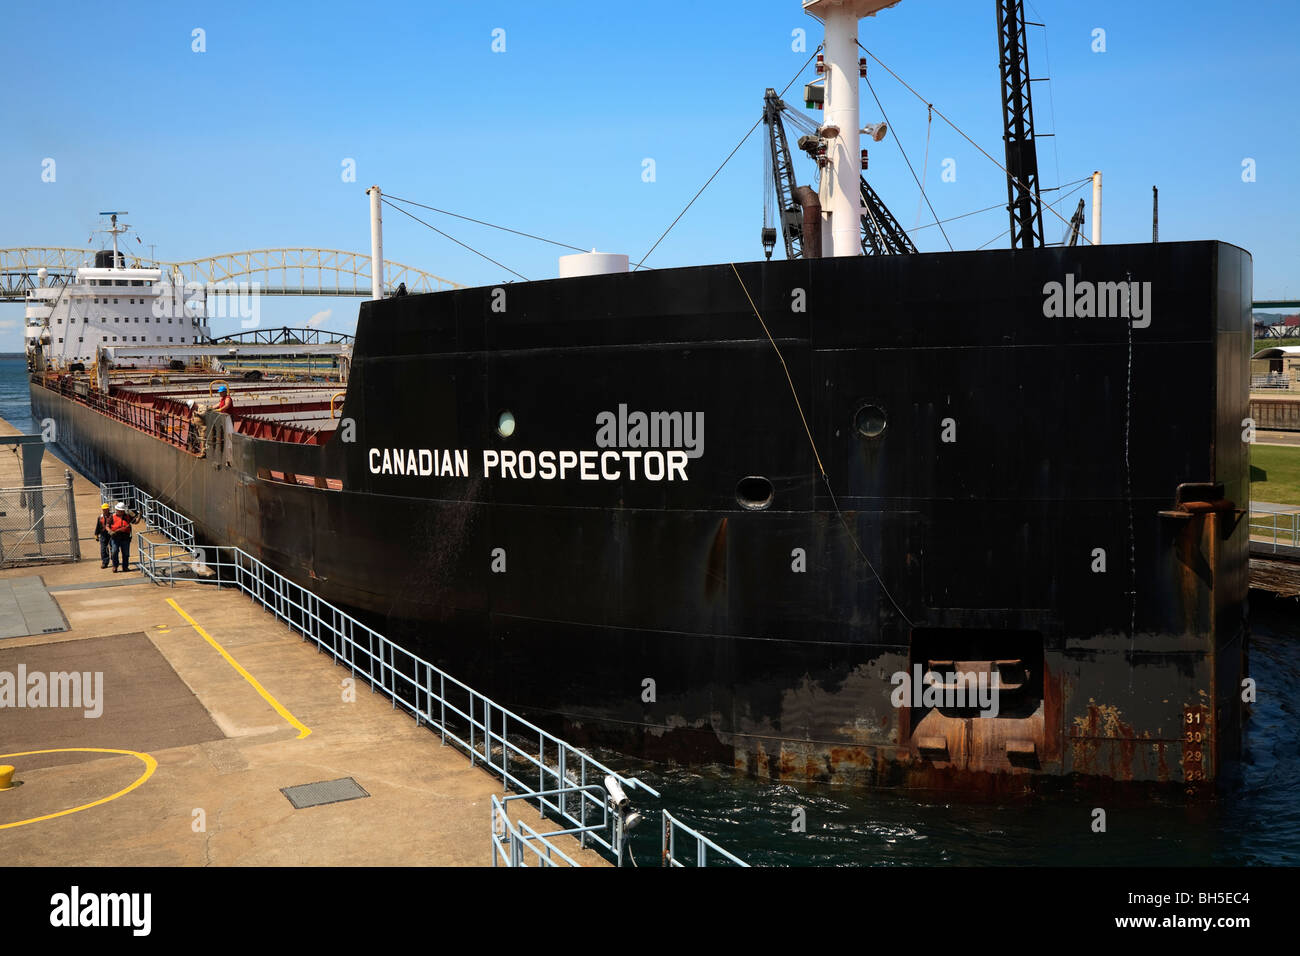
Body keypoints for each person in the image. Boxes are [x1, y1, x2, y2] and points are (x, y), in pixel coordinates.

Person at [107, 501, 137, 573]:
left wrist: (139, 516)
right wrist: (110, 531)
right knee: (114, 551)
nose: (120, 512)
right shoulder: (112, 517)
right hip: (115, 537)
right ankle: (115, 566)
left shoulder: (128, 516)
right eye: (119, 510)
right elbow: (107, 526)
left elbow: (135, 522)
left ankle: (125, 567)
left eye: (121, 511)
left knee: (126, 553)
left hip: (125, 537)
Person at [93, 502, 112, 569]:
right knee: (103, 549)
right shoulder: (100, 517)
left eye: (106, 509)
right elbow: (98, 526)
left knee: (113, 549)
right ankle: (105, 562)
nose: (105, 510)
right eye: (104, 509)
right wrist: (96, 534)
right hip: (103, 535)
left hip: (111, 535)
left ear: (108, 509)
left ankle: (114, 560)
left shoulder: (112, 516)